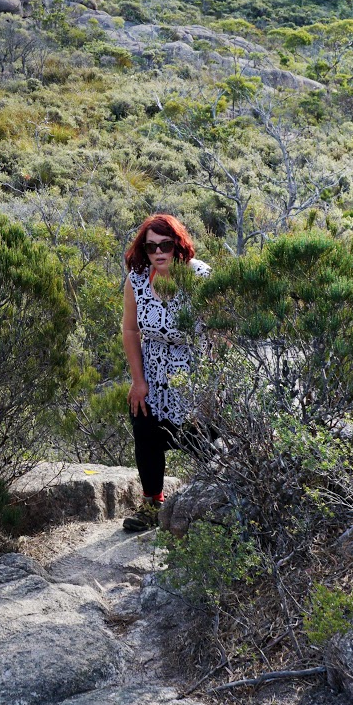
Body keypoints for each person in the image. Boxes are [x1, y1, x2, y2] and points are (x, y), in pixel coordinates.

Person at [119, 213, 212, 532]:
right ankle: (152, 504)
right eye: (151, 247)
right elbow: (130, 330)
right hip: (153, 372)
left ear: (178, 245)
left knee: (203, 441)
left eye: (166, 245)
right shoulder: (137, 278)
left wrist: (216, 385)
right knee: (145, 431)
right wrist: (138, 380)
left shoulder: (199, 277)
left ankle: (213, 509)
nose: (159, 252)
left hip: (195, 375)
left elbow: (222, 331)